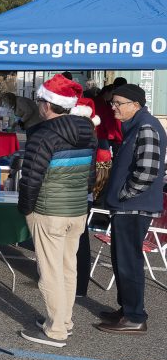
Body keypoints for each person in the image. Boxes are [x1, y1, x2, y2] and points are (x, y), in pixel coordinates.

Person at [17, 74, 97, 347]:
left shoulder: (43, 134)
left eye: (41, 100)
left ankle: (56, 331)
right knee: (67, 268)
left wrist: (26, 209)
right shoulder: (88, 131)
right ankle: (64, 321)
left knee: (50, 273)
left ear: (47, 105)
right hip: (77, 210)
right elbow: (90, 175)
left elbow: (31, 178)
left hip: (49, 211)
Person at [96, 83, 165, 335]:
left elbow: (147, 171)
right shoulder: (137, 125)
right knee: (122, 260)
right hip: (129, 206)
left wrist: (124, 194)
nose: (113, 107)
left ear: (135, 105)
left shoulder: (146, 127)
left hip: (134, 207)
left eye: (118, 103)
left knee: (129, 263)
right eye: (112, 102)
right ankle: (127, 309)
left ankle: (134, 316)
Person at [70, 96, 111, 297]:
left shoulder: (81, 136)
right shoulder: (93, 134)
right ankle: (79, 286)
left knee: (77, 241)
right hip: (84, 193)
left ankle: (78, 285)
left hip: (76, 193)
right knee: (80, 238)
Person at [96, 85, 123, 158]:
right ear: (106, 92)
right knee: (104, 155)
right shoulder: (99, 101)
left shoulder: (106, 102)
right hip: (101, 132)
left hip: (105, 132)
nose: (112, 96)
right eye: (112, 94)